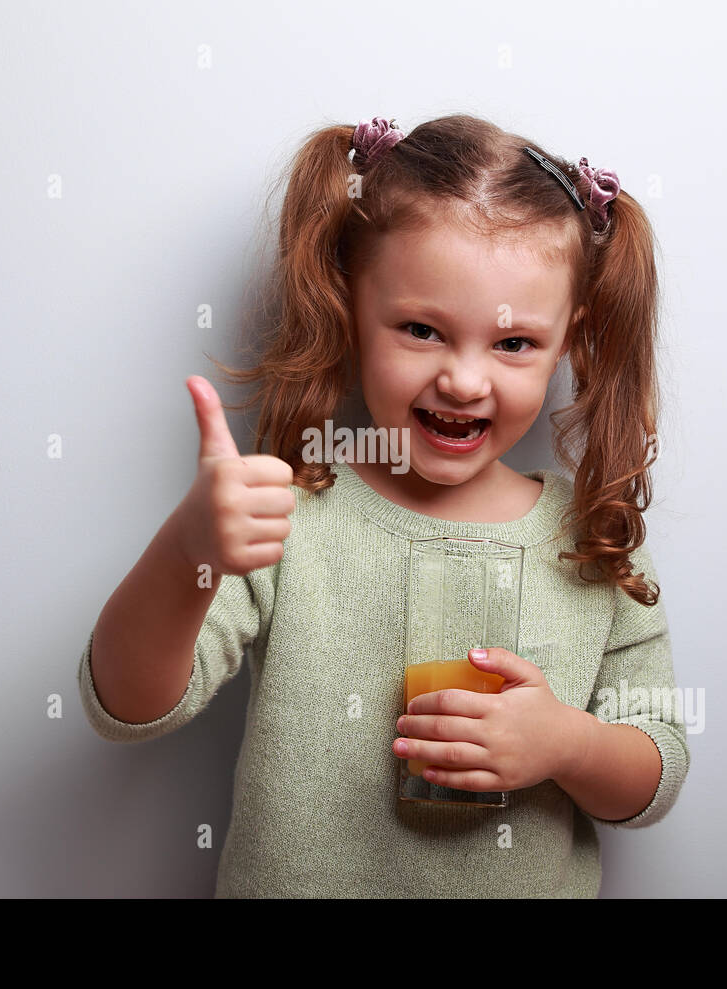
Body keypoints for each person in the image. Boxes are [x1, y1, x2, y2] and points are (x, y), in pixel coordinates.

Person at [78, 114, 690, 898]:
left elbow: (657, 765)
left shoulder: (594, 537)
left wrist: (569, 744)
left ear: (568, 339)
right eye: (421, 330)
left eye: (513, 344)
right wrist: (186, 550)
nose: (463, 380)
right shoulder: (289, 510)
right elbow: (127, 706)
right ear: (349, 307)